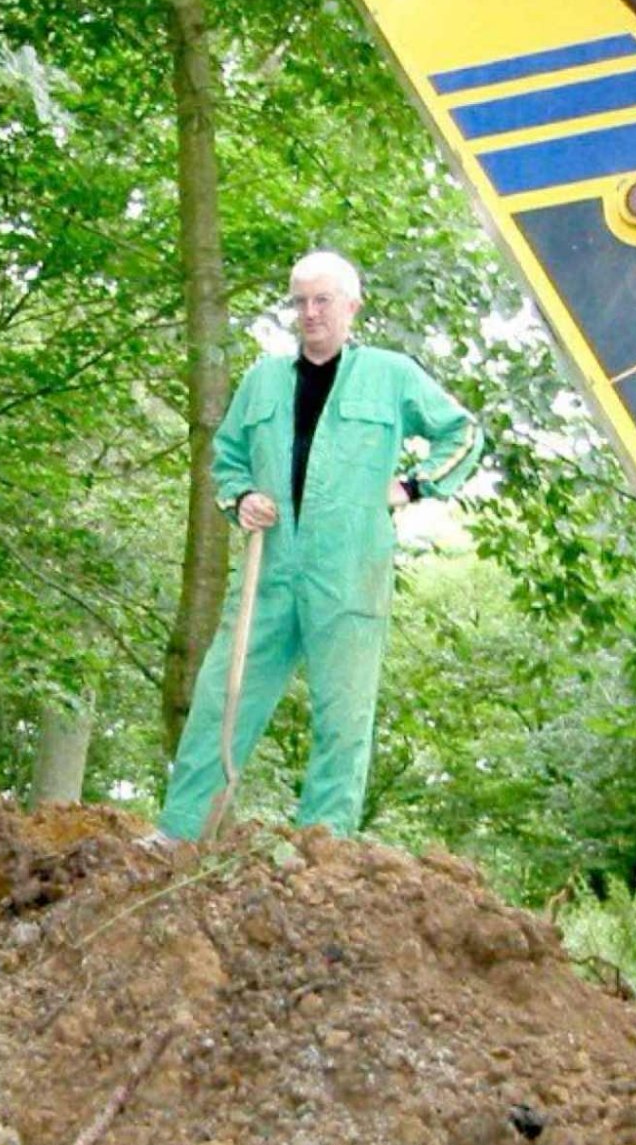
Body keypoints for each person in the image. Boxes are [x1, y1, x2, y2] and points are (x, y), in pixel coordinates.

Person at [155, 250, 480, 840]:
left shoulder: (391, 374)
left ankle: (321, 848)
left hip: (350, 571)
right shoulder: (263, 380)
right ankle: (178, 834)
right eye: (300, 301)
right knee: (221, 696)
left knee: (343, 715)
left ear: (351, 306)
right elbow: (227, 458)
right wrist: (242, 497)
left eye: (323, 300)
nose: (310, 312)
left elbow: (463, 432)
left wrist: (413, 485)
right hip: (270, 569)